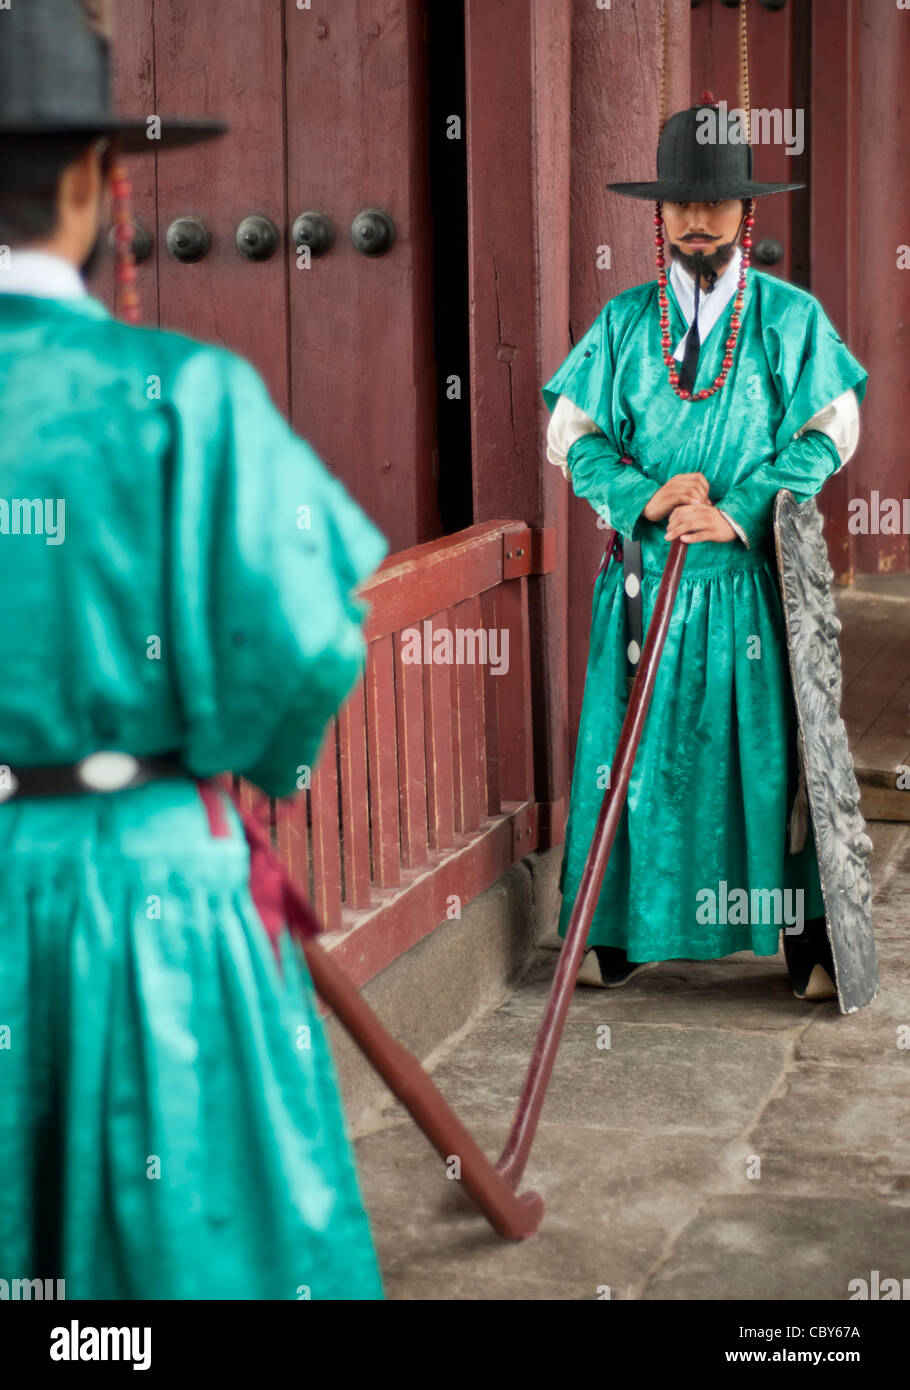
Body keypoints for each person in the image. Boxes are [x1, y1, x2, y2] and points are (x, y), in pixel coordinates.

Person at [0, 0, 385, 1298]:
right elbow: (311, 632)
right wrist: (239, 754)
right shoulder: (189, 392)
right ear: (102, 187)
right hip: (150, 877)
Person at [543, 98, 869, 1003]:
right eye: (680, 204)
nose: (696, 220)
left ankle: (803, 946)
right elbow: (574, 439)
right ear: (659, 214)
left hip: (746, 592)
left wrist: (738, 511)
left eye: (715, 204)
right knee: (635, 766)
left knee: (765, 768)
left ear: (746, 213)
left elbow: (830, 433)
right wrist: (643, 497)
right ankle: (621, 931)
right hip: (646, 588)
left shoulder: (788, 320)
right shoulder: (619, 323)